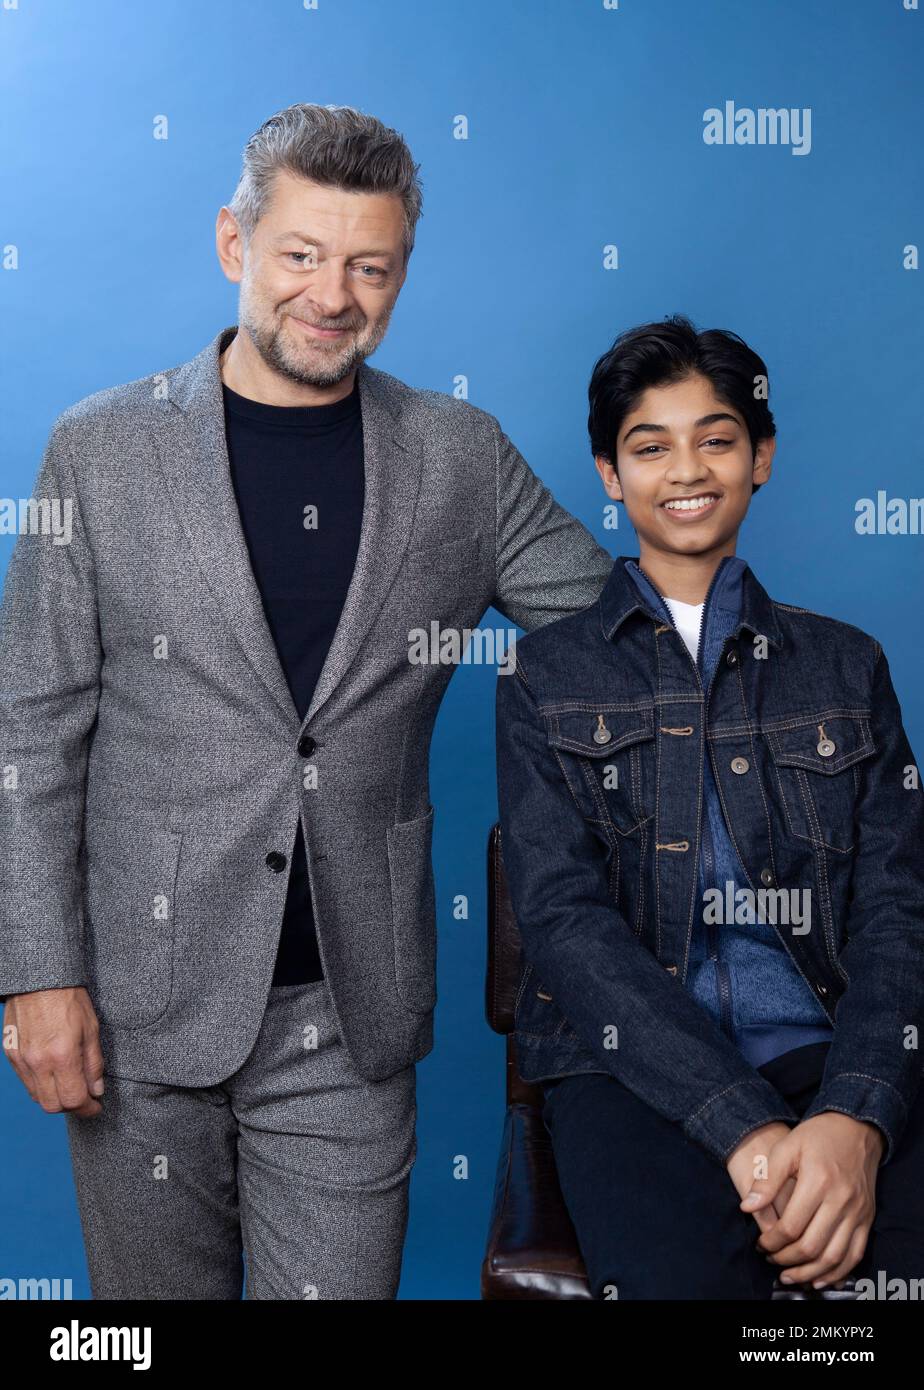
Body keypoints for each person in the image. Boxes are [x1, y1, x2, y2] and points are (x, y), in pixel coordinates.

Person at [0, 102, 614, 1299]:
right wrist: (35, 973)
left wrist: (766, 632)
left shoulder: (459, 455)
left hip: (350, 1007)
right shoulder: (99, 448)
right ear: (236, 244)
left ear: (400, 274)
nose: (332, 294)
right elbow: (29, 729)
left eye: (368, 266)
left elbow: (615, 637)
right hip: (135, 1000)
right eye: (301, 254)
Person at [495, 315, 924, 1300]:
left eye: (717, 437)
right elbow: (565, 927)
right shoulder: (543, 678)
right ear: (610, 473)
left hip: (830, 1052)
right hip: (631, 1078)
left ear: (762, 456)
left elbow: (900, 914)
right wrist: (742, 1122)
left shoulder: (847, 665)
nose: (686, 468)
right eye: (649, 445)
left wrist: (855, 1115)